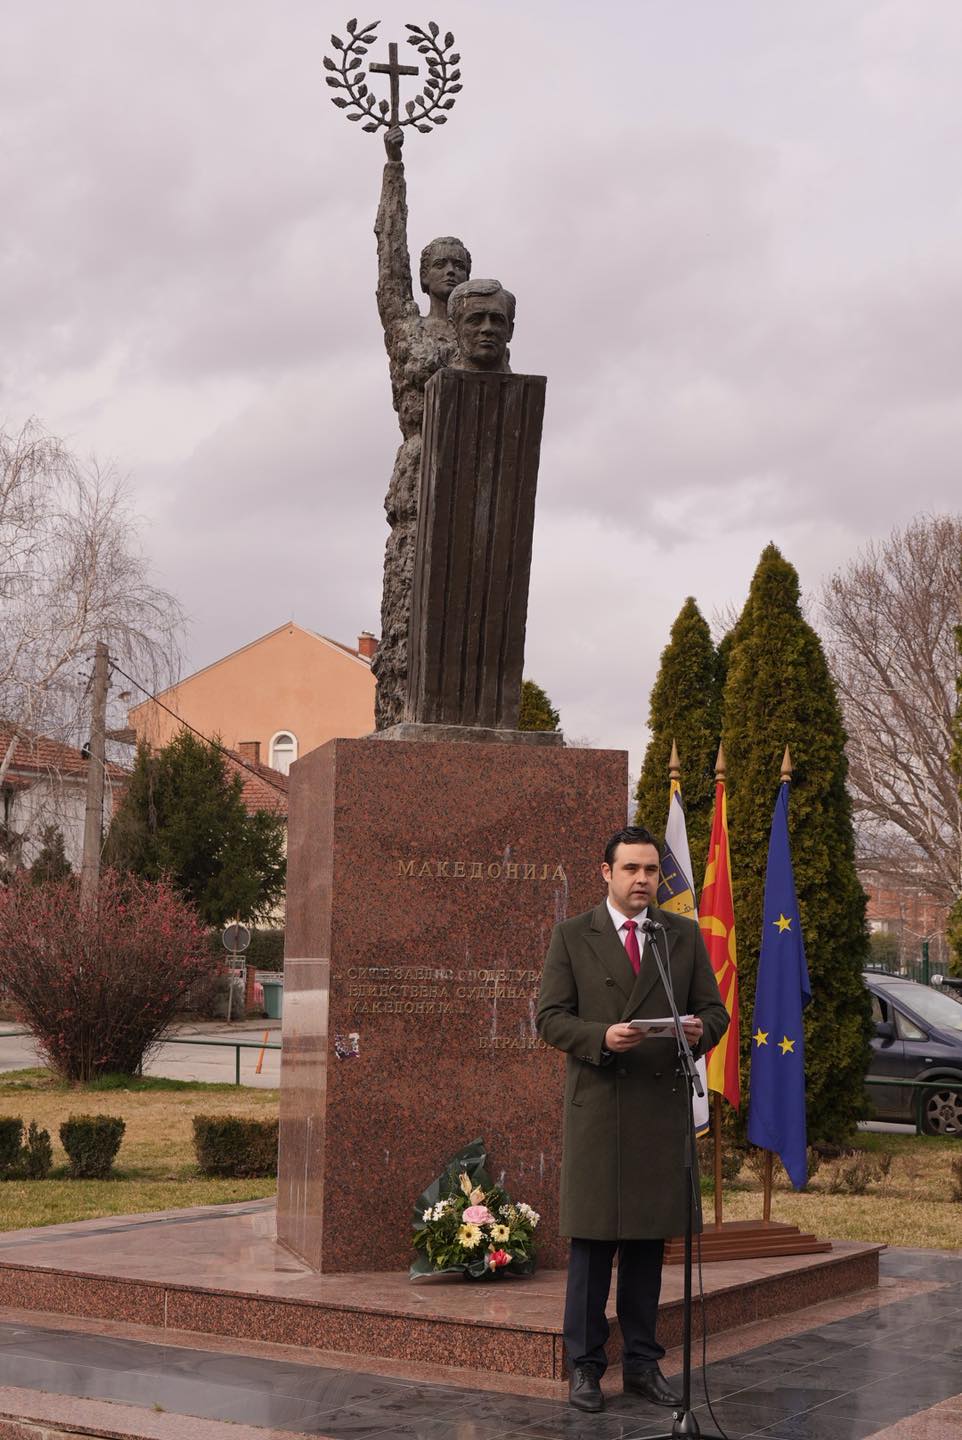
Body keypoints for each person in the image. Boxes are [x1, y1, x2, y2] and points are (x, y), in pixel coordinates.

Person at [536, 825, 729, 1413]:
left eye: (650, 870)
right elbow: (549, 1018)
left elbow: (716, 1012)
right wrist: (601, 1037)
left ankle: (643, 1365)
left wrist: (698, 1032)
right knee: (593, 1250)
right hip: (599, 1110)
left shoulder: (683, 937)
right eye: (631, 870)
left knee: (648, 1249)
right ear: (606, 873)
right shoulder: (573, 936)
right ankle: (586, 1368)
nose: (642, 879)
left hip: (658, 1112)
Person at [372, 124, 472, 730]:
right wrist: (394, 172)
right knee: (409, 596)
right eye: (442, 263)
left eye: (462, 263)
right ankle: (401, 703)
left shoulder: (481, 336)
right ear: (426, 275)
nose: (453, 270)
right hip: (419, 466)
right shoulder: (407, 325)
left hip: (469, 470)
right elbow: (388, 263)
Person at [448, 278, 515, 373]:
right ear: (453, 329)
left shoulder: (526, 387)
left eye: (497, 320)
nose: (487, 328)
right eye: (475, 320)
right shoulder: (440, 384)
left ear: (510, 331)